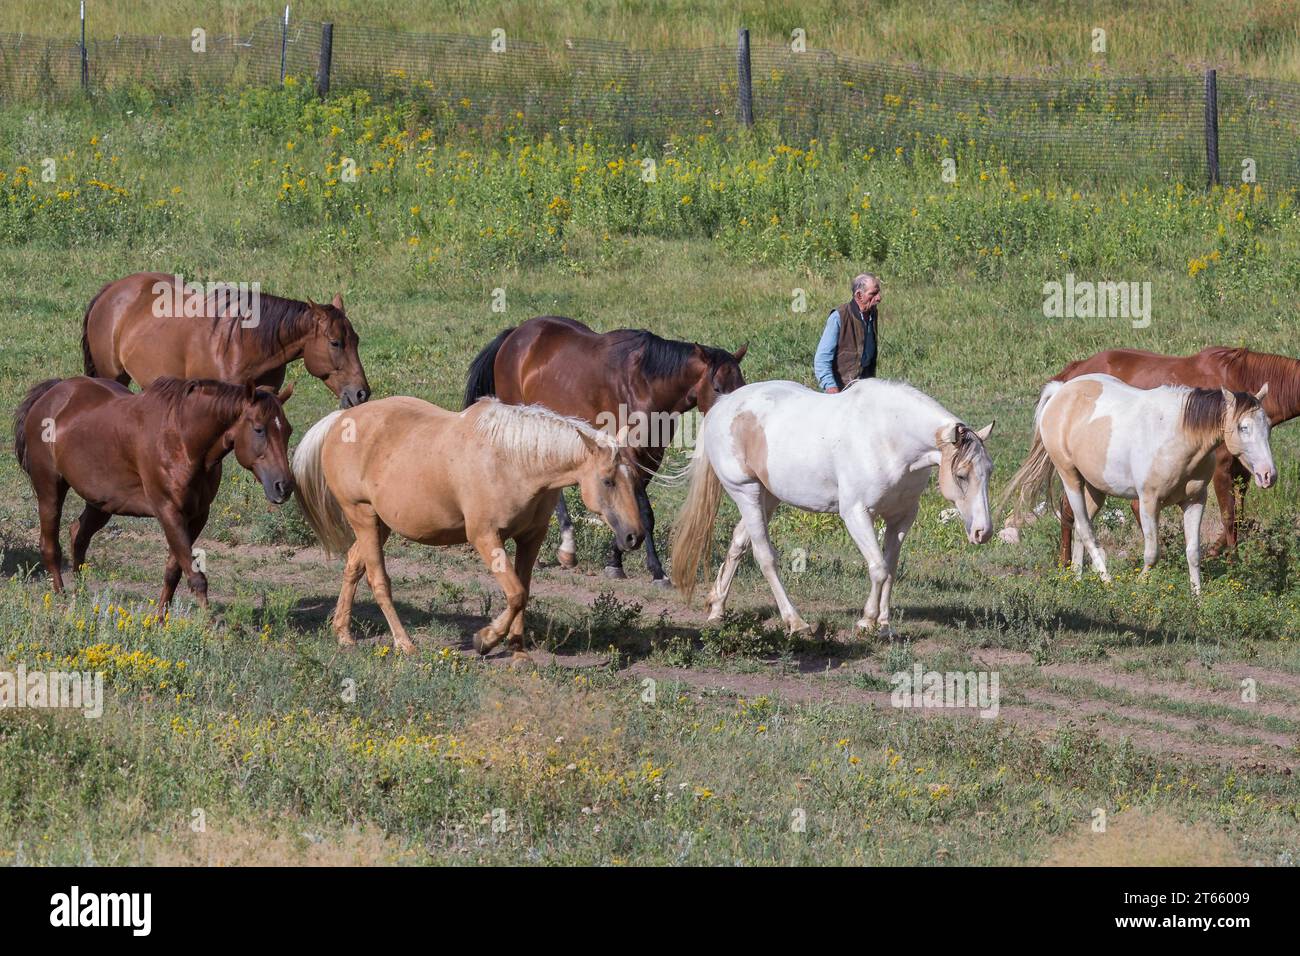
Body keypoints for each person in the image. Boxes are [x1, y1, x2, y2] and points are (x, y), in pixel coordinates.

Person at [813, 273, 882, 393]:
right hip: (841, 389)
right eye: (873, 294)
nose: (879, 298)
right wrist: (832, 389)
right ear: (859, 296)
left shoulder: (872, 313)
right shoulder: (838, 317)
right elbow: (821, 360)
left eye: (878, 293)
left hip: (864, 387)